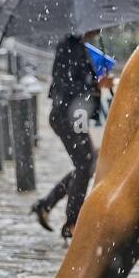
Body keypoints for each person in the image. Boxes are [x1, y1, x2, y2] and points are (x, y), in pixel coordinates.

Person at [31, 31, 114, 240]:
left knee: (87, 163)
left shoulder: (82, 47)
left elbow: (81, 83)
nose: (98, 31)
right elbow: (64, 86)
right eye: (95, 27)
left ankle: (46, 205)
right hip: (64, 116)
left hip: (75, 115)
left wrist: (98, 84)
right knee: (85, 165)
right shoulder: (68, 46)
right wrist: (93, 86)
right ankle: (71, 223)